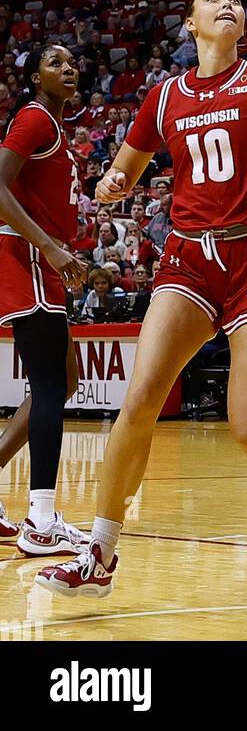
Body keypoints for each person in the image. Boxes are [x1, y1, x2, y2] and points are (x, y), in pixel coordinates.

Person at [36, 0, 247, 599]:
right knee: (141, 397)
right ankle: (99, 551)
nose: (228, 2)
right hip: (190, 255)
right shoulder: (166, 95)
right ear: (191, 24)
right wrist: (114, 182)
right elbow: (124, 166)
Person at [0, 44, 87, 555]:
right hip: (27, 258)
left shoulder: (51, 126)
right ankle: (42, 519)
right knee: (50, 383)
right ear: (35, 78)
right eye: (55, 63)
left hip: (40, 260)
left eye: (72, 61)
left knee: (65, 378)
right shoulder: (35, 119)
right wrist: (50, 248)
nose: (68, 67)